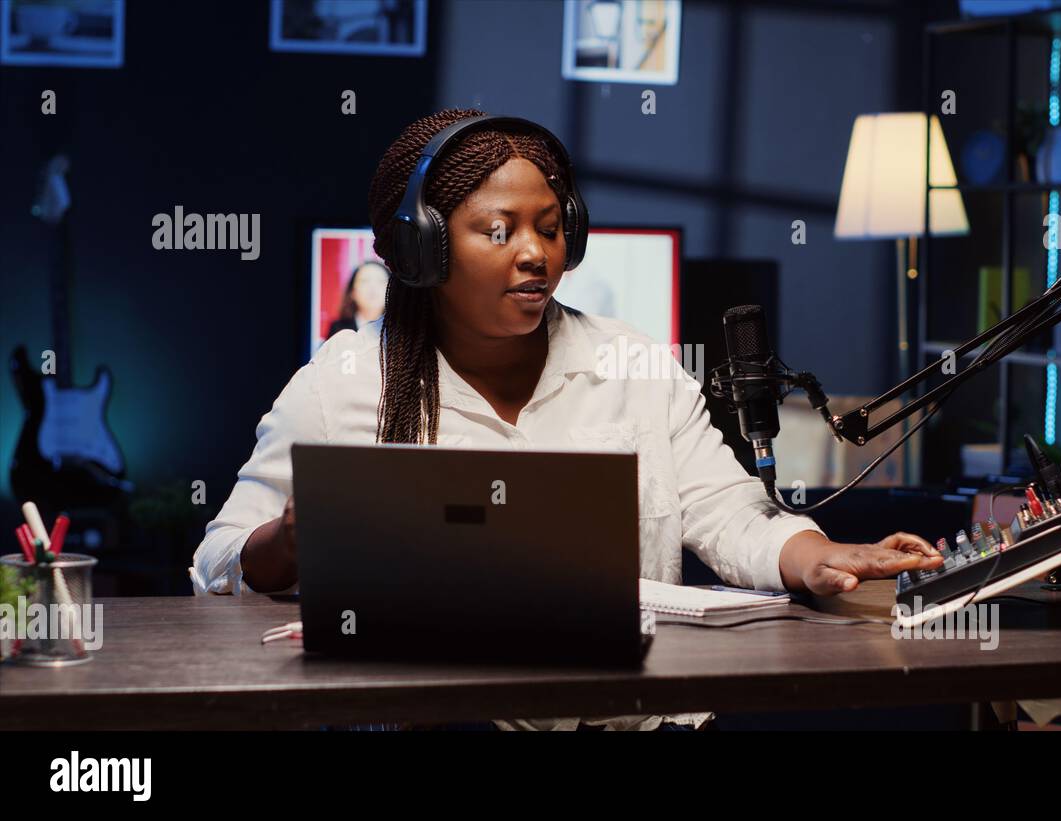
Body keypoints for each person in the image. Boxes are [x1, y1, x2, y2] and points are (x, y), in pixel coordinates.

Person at [190, 108, 941, 730]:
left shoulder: (636, 363)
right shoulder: (341, 382)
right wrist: (290, 540)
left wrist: (815, 555)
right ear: (422, 247)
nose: (535, 255)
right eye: (500, 230)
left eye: (550, 228)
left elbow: (728, 510)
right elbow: (215, 563)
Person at [326, 260, 389, 338]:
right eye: (364, 281)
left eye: (381, 281)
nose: (373, 287)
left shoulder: (398, 330)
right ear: (352, 292)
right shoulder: (338, 330)